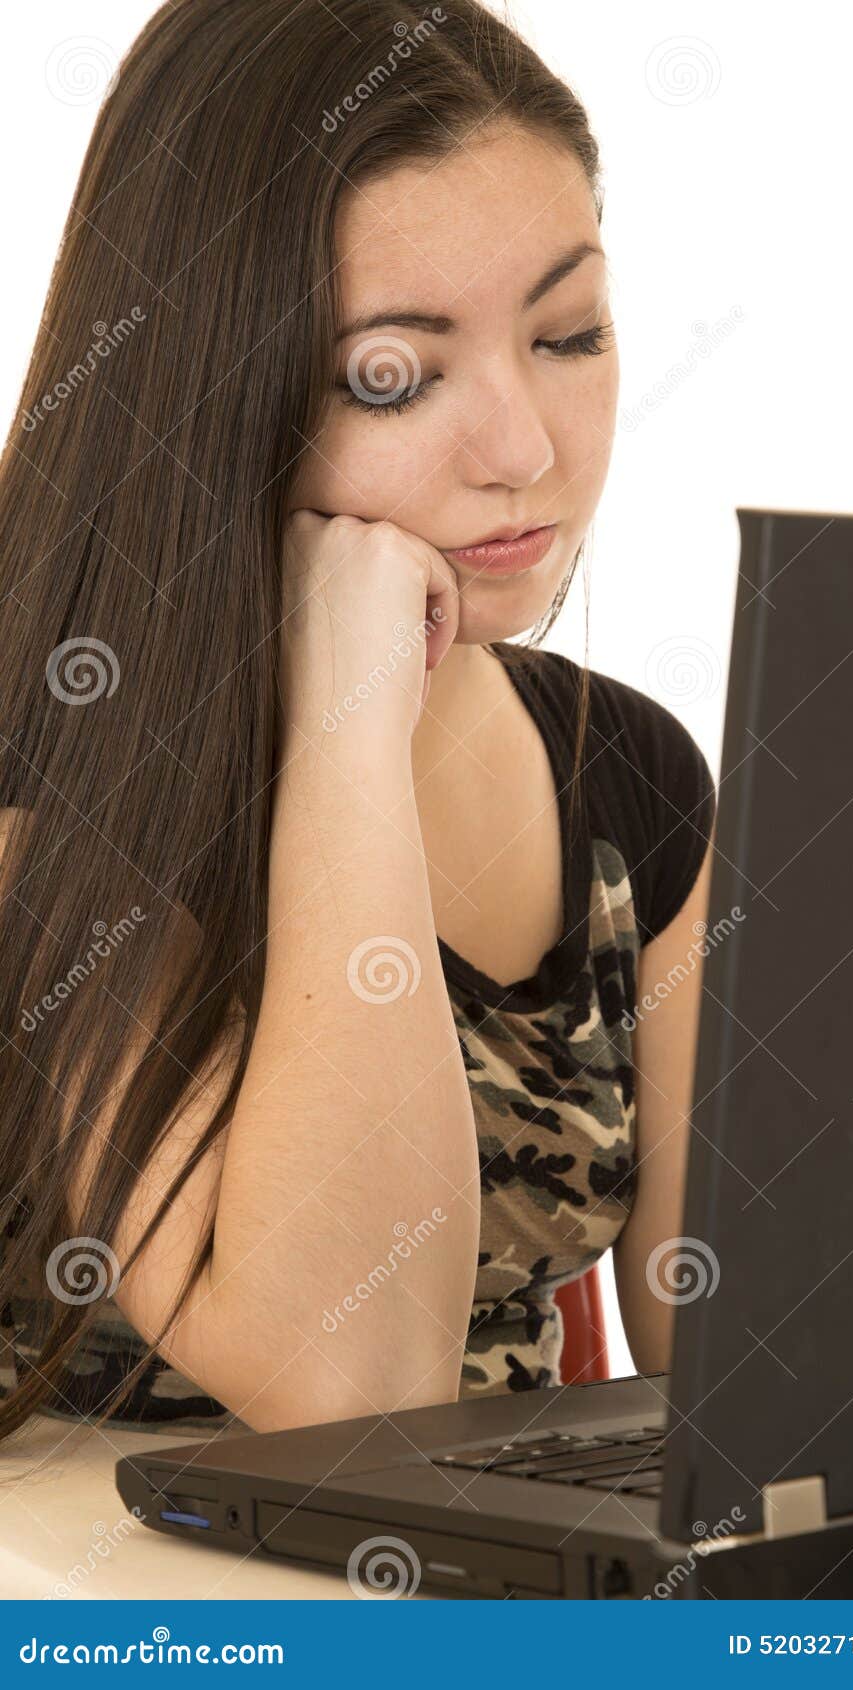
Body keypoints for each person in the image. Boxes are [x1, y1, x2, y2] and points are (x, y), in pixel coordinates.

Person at [0, 0, 714, 1444]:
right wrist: (345, 724)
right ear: (213, 392)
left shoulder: (632, 779)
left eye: (568, 332)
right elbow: (353, 1383)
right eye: (394, 373)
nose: (525, 449)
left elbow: (786, 1380)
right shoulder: (45, 780)